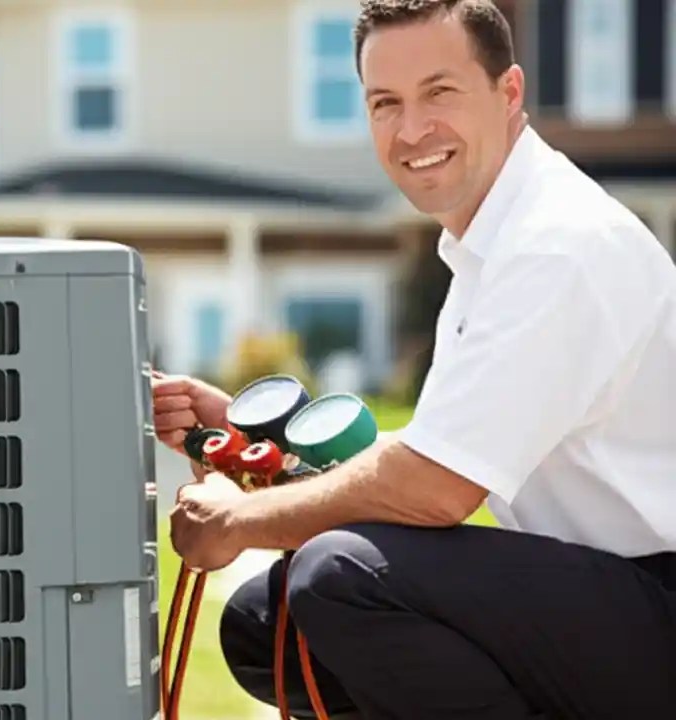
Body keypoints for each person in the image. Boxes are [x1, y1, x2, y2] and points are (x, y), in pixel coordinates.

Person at [151, 0, 676, 717]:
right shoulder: (494, 246)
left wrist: (238, 522)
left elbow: (434, 488)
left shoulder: (556, 246)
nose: (412, 129)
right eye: (385, 103)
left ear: (509, 92)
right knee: (263, 624)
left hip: (657, 603)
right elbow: (440, 449)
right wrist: (258, 436)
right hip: (607, 596)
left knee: (341, 577)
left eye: (440, 93)